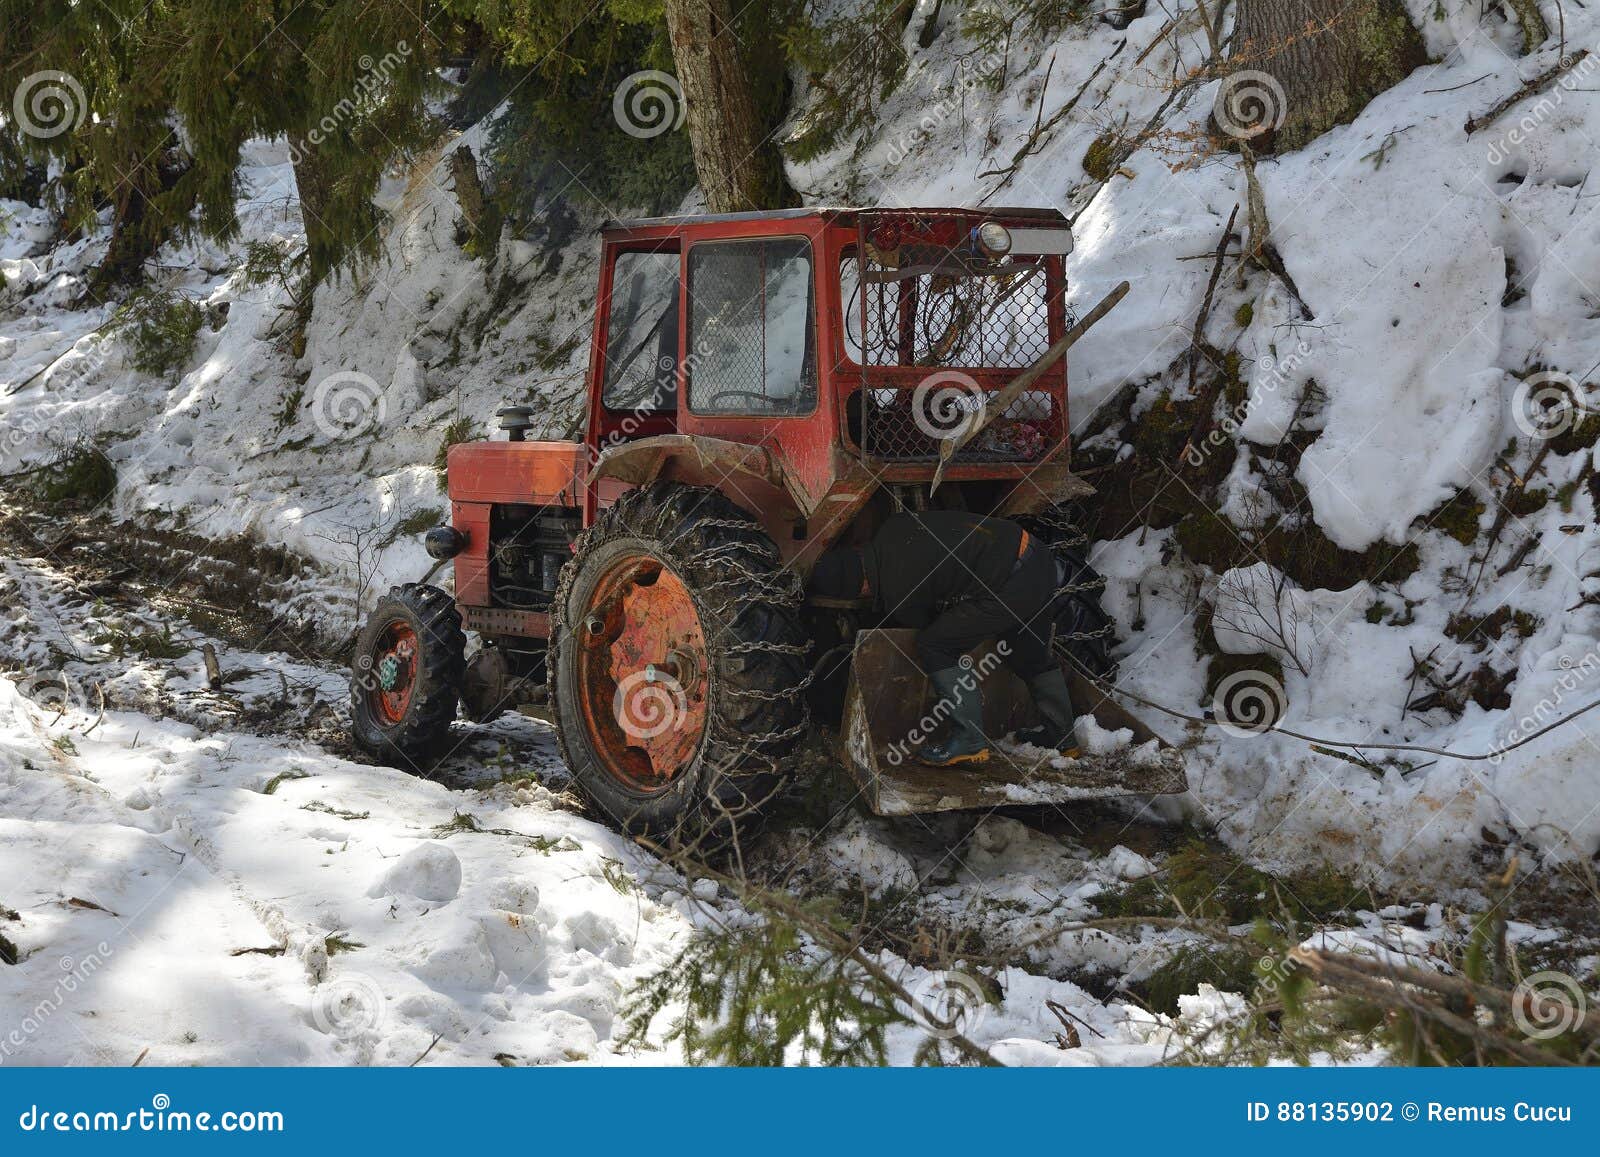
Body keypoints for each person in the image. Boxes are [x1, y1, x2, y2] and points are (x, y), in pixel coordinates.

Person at [809, 511, 1080, 766]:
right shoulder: (892, 527)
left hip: (1009, 581)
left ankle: (969, 741)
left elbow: (925, 624)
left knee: (936, 644)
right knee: (1030, 654)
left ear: (862, 587)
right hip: (1037, 557)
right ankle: (1064, 738)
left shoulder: (896, 590)